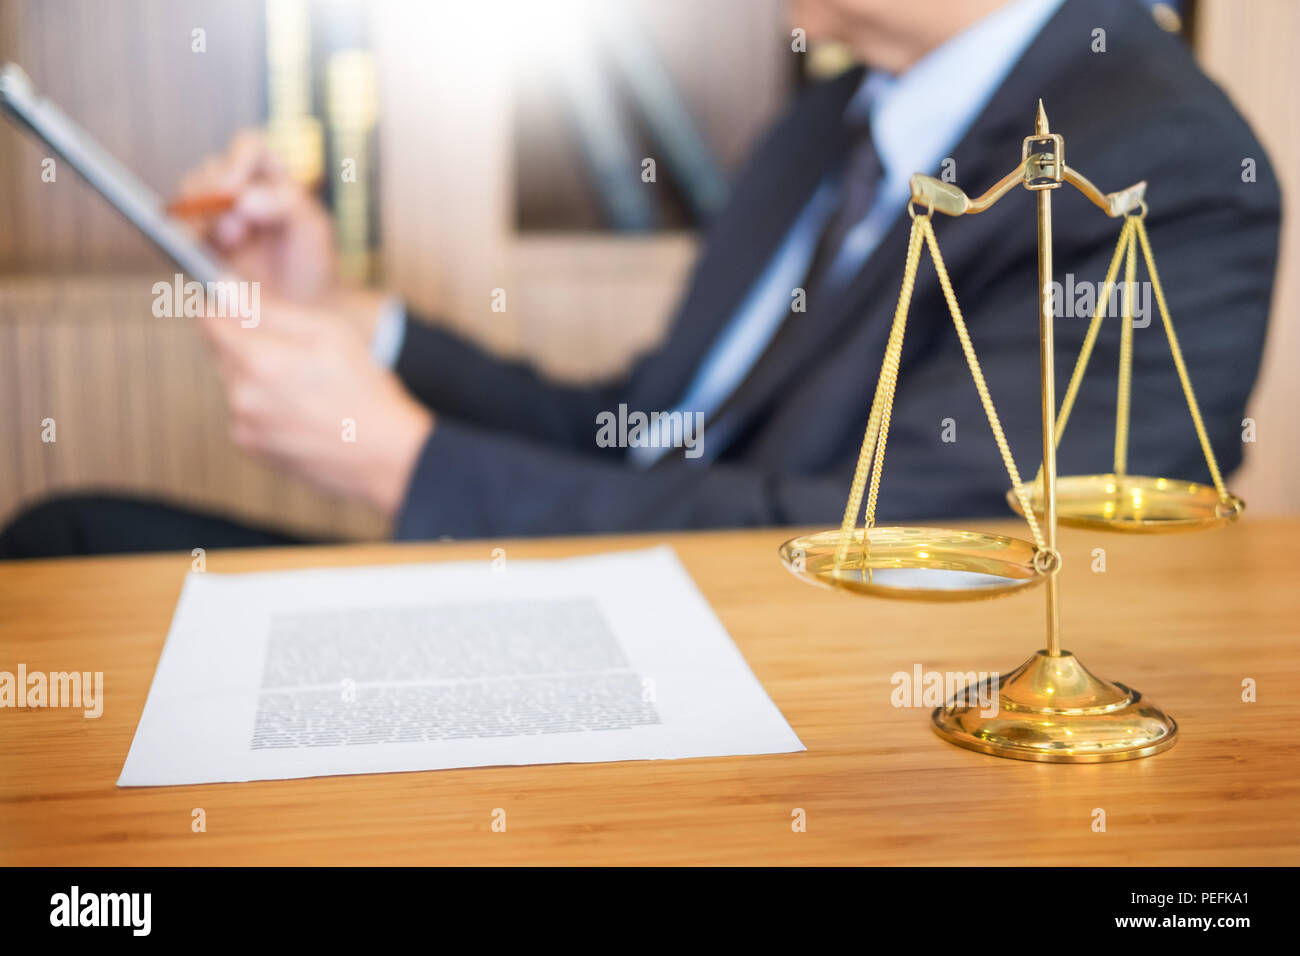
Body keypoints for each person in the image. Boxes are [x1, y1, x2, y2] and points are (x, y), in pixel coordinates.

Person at [0, 0, 1281, 557]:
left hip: (787, 722)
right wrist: (353, 326)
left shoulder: (1157, 166)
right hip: (627, 615)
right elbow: (655, 432)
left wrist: (402, 464)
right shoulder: (823, 130)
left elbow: (929, 564)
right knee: (71, 538)